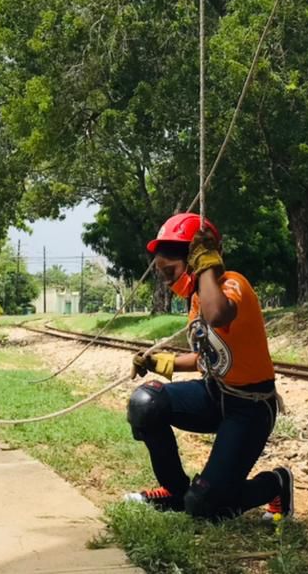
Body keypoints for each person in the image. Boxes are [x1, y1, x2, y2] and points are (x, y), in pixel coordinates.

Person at [124, 213, 293, 522]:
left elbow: (217, 316)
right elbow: (209, 358)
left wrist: (207, 267)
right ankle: (175, 492)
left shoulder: (231, 286)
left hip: (249, 408)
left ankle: (275, 484)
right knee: (145, 403)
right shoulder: (198, 298)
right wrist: (162, 362)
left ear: (197, 260)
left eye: (170, 271)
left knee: (205, 506)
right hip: (215, 394)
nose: (167, 280)